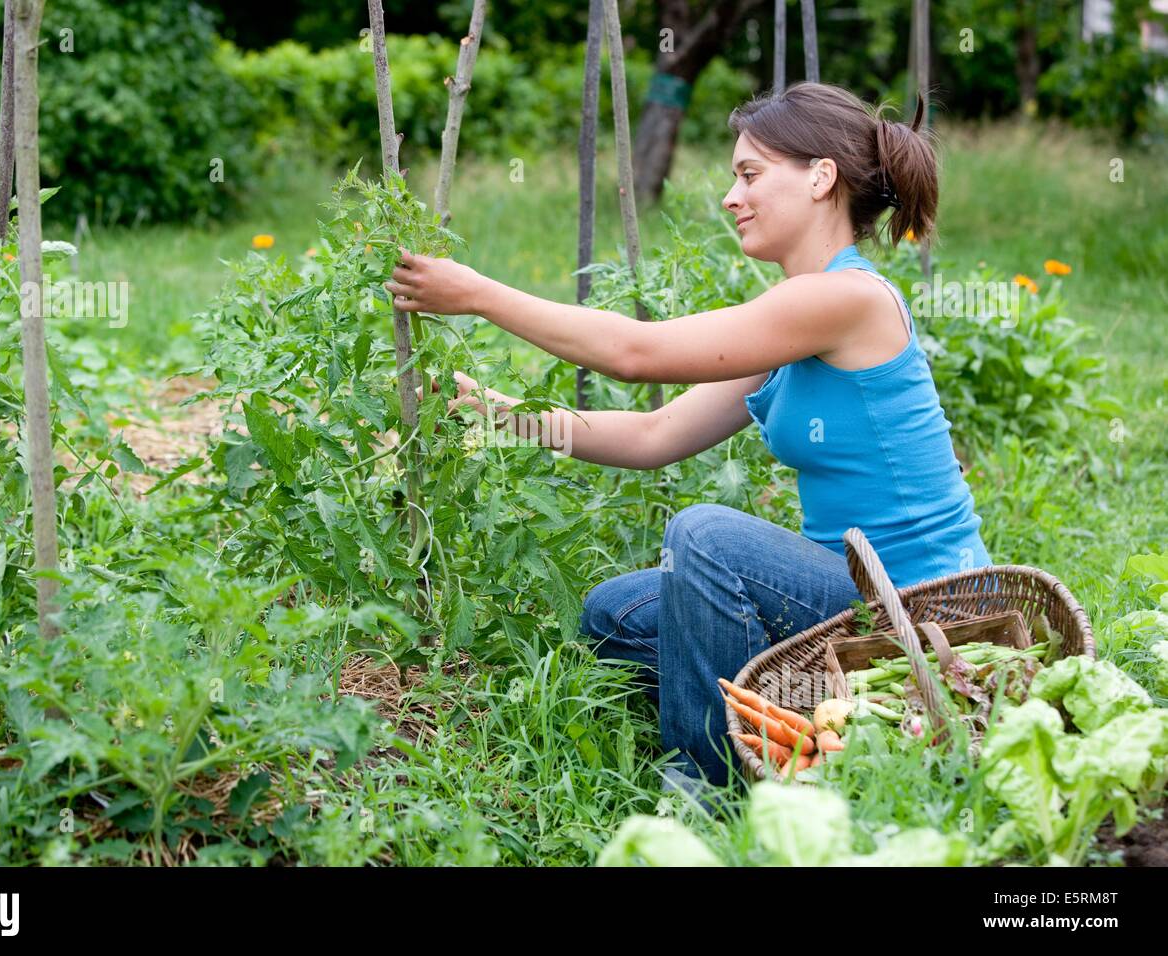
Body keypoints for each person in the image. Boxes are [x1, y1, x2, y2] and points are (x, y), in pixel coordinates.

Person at [382, 82, 992, 789]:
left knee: (703, 537)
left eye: (750, 174)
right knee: (616, 615)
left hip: (923, 605)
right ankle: (804, 716)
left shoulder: (844, 298)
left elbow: (635, 353)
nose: (731, 197)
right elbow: (655, 434)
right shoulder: (802, 320)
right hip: (848, 593)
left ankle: (709, 783)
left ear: (822, 177)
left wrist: (480, 295)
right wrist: (501, 415)